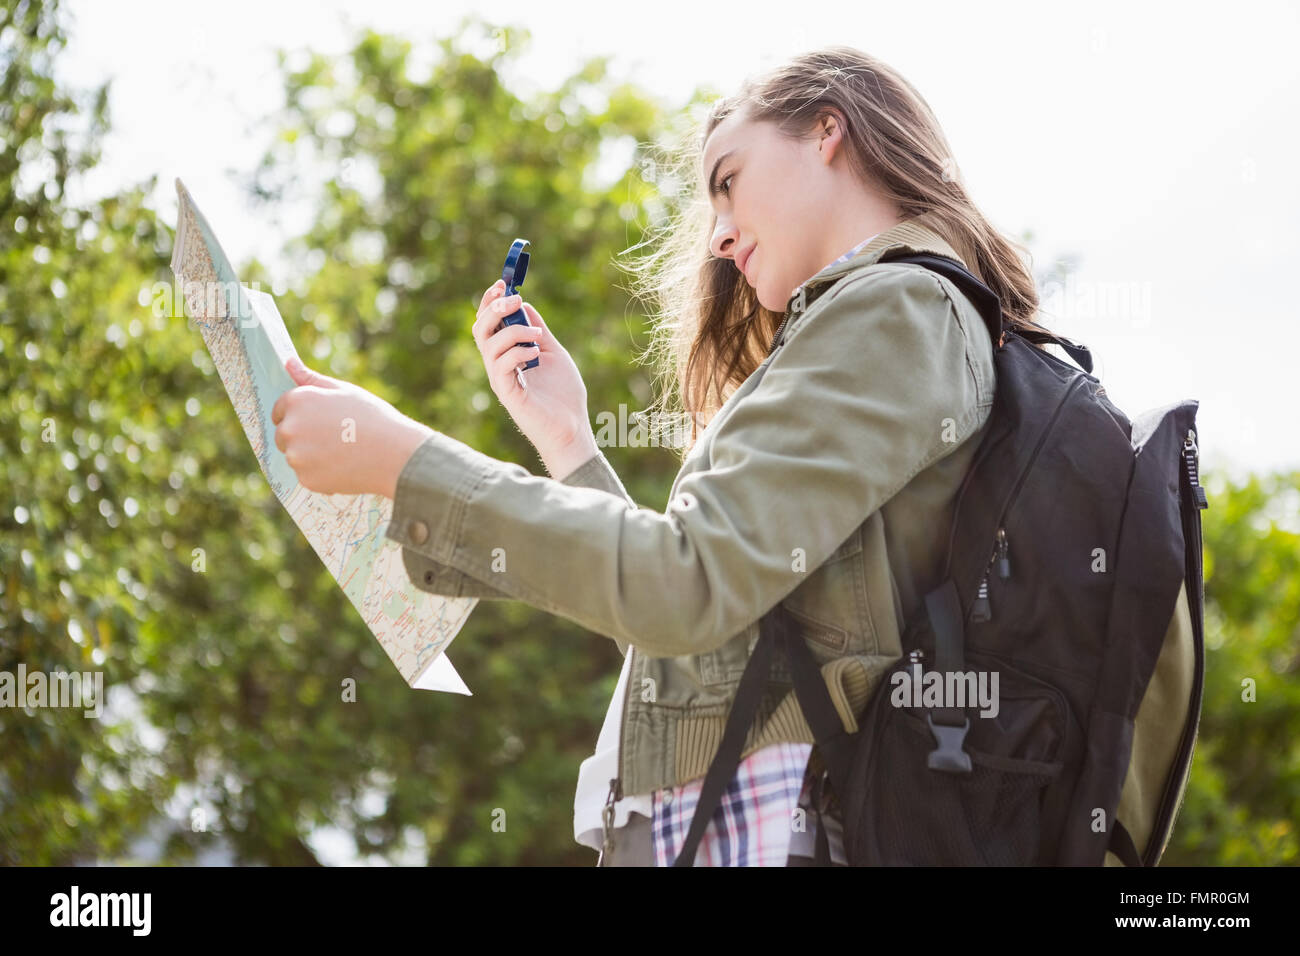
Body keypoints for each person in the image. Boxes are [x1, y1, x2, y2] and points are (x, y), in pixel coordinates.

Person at [271, 45, 1051, 866]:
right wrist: (566, 437)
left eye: (728, 181)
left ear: (828, 130)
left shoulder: (893, 308)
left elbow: (682, 588)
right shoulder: (899, 316)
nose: (716, 235)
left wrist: (403, 462)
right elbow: (704, 645)